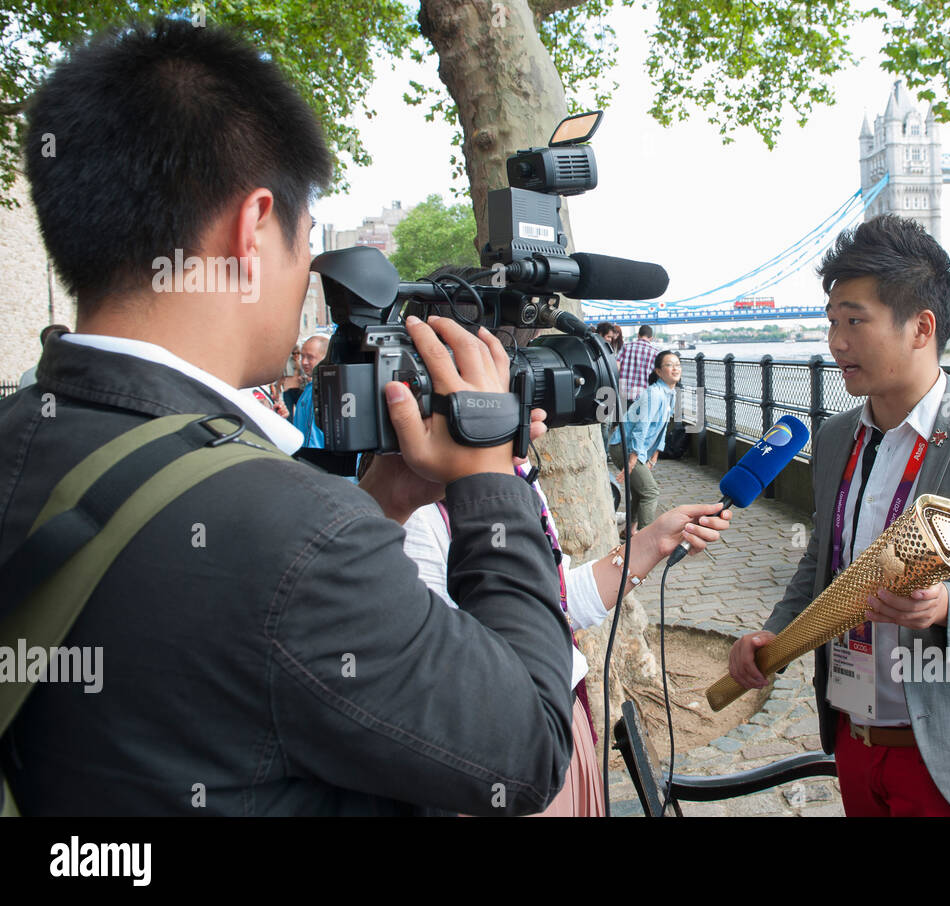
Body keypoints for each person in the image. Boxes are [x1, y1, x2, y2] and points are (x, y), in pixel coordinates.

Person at [0, 19, 574, 816]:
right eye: (303, 241)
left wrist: (382, 498)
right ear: (251, 227)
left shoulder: (28, 433)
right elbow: (530, 746)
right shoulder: (298, 537)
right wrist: (490, 482)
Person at [727, 214, 950, 817]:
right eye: (832, 322)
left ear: (922, 327)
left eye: (855, 321)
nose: (836, 343)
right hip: (853, 743)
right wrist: (777, 634)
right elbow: (826, 558)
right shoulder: (838, 438)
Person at [401, 413, 732, 816]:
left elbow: (551, 606)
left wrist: (654, 542)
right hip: (505, 750)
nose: (537, 418)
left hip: (559, 721)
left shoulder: (516, 472)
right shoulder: (416, 516)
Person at [608, 350, 681, 531]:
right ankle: (645, 538)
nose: (675, 369)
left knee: (640, 492)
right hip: (623, 446)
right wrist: (633, 459)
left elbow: (663, 429)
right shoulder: (654, 394)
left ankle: (629, 531)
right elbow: (642, 428)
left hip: (633, 448)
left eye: (678, 365)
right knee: (650, 492)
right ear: (658, 371)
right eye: (669, 365)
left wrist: (654, 456)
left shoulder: (670, 394)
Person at [289, 333, 328, 447]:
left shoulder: (321, 390)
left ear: (325, 358)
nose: (304, 362)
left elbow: (314, 439)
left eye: (310, 357)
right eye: (302, 356)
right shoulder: (311, 387)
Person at [616, 324, 658, 409]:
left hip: (623, 394)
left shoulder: (625, 347)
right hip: (643, 396)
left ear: (638, 335)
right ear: (651, 338)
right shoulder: (655, 353)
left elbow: (616, 366)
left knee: (622, 420)